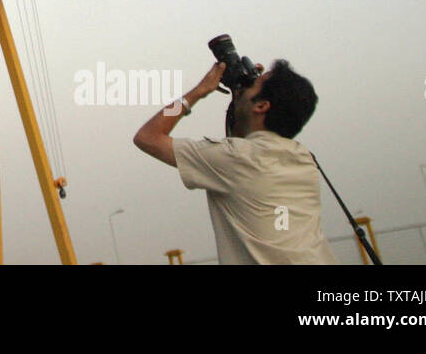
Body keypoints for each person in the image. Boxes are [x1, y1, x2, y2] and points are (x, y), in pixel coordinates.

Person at [133, 58, 338, 264]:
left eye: (252, 85)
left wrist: (198, 91)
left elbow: (148, 136)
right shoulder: (304, 159)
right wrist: (245, 96)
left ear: (262, 105)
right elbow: (244, 151)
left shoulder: (235, 158)